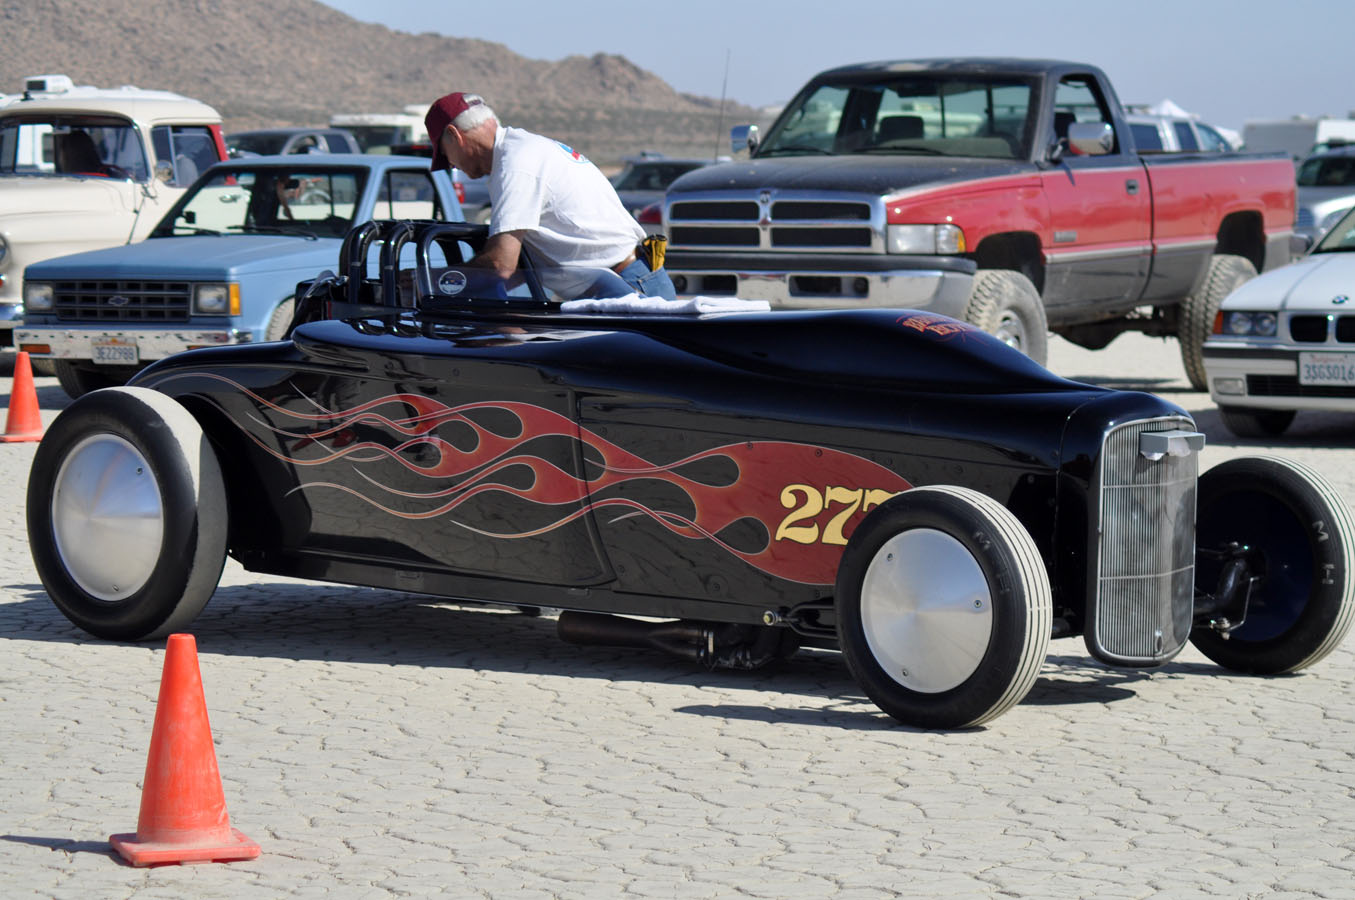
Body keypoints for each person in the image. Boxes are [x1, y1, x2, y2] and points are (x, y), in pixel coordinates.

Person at [424, 91, 677, 301]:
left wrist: (430, 280)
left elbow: (501, 265)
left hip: (626, 287)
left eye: (444, 155)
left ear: (455, 135)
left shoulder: (516, 165)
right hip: (627, 281)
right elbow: (519, 266)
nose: (451, 165)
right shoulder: (521, 151)